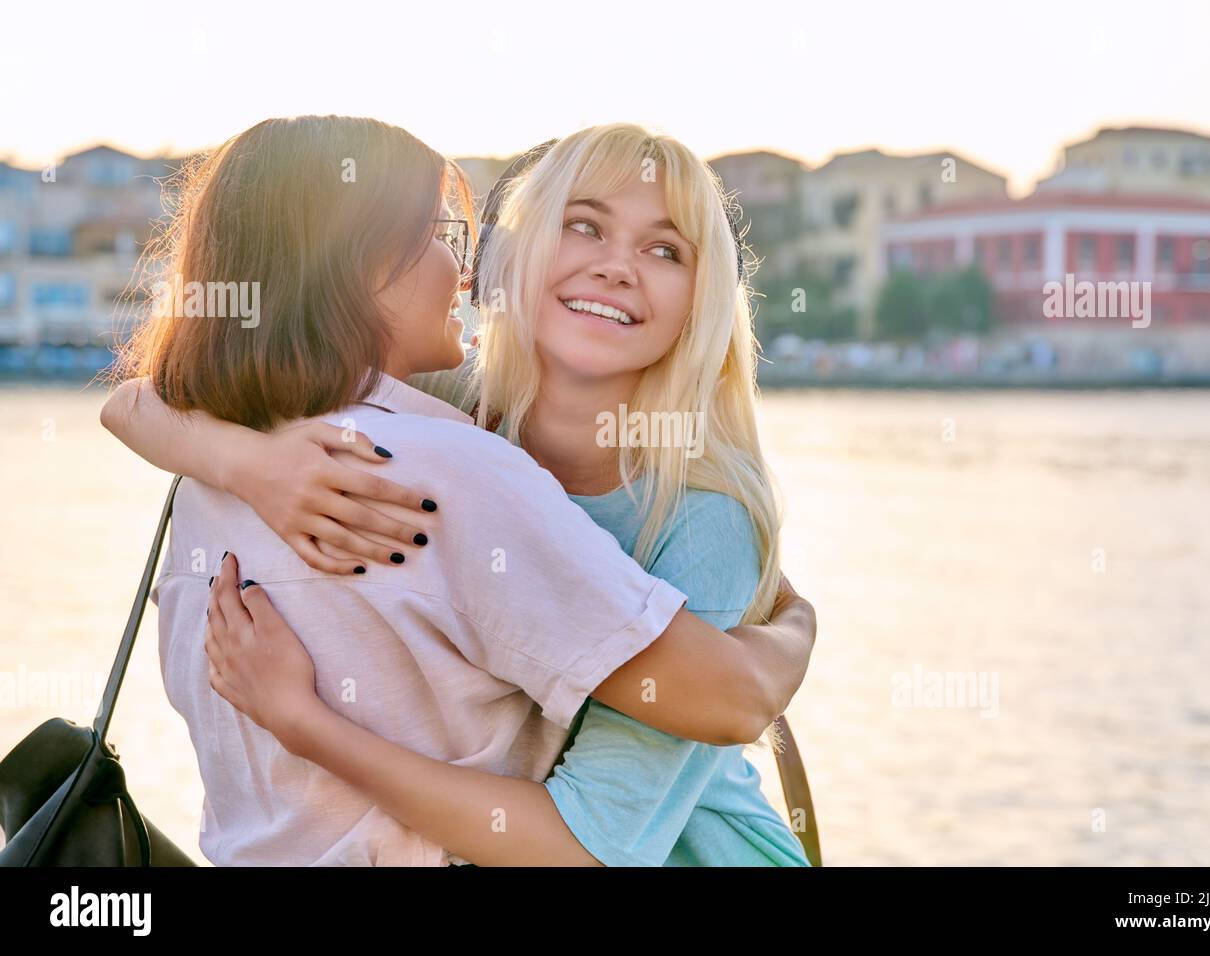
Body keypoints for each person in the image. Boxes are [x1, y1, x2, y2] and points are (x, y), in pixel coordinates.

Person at [105, 121, 815, 866]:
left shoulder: (698, 515)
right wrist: (252, 461)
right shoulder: (455, 415)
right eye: (583, 227)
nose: (616, 267)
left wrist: (795, 629)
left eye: (665, 250)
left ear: (701, 301)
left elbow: (612, 826)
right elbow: (135, 401)